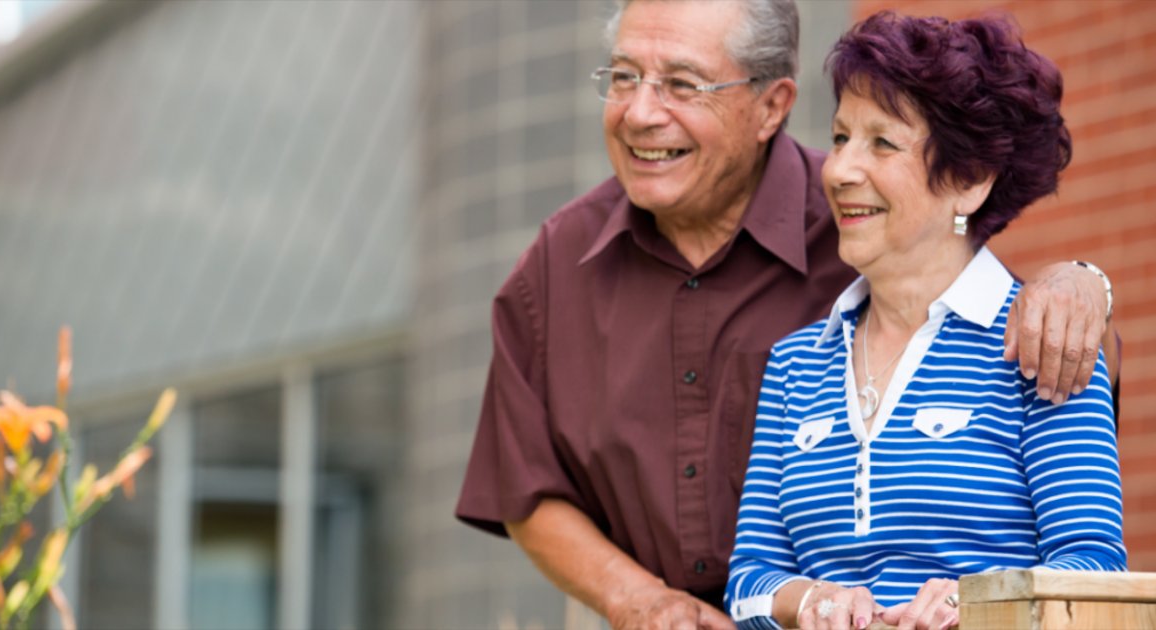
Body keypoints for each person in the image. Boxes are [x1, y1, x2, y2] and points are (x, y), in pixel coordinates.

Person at [457, 1, 1117, 628]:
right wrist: (647, 602)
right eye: (624, 77)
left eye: (682, 84)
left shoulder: (870, 235)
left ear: (771, 105)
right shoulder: (560, 268)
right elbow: (522, 482)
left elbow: (1087, 555)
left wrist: (1084, 283)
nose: (639, 113)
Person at [725, 11, 1126, 630]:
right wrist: (812, 602)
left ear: (968, 180)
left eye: (881, 143)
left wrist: (982, 602)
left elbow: (1094, 573)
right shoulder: (795, 362)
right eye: (839, 138)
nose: (839, 171)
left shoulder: (1045, 341)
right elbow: (750, 581)